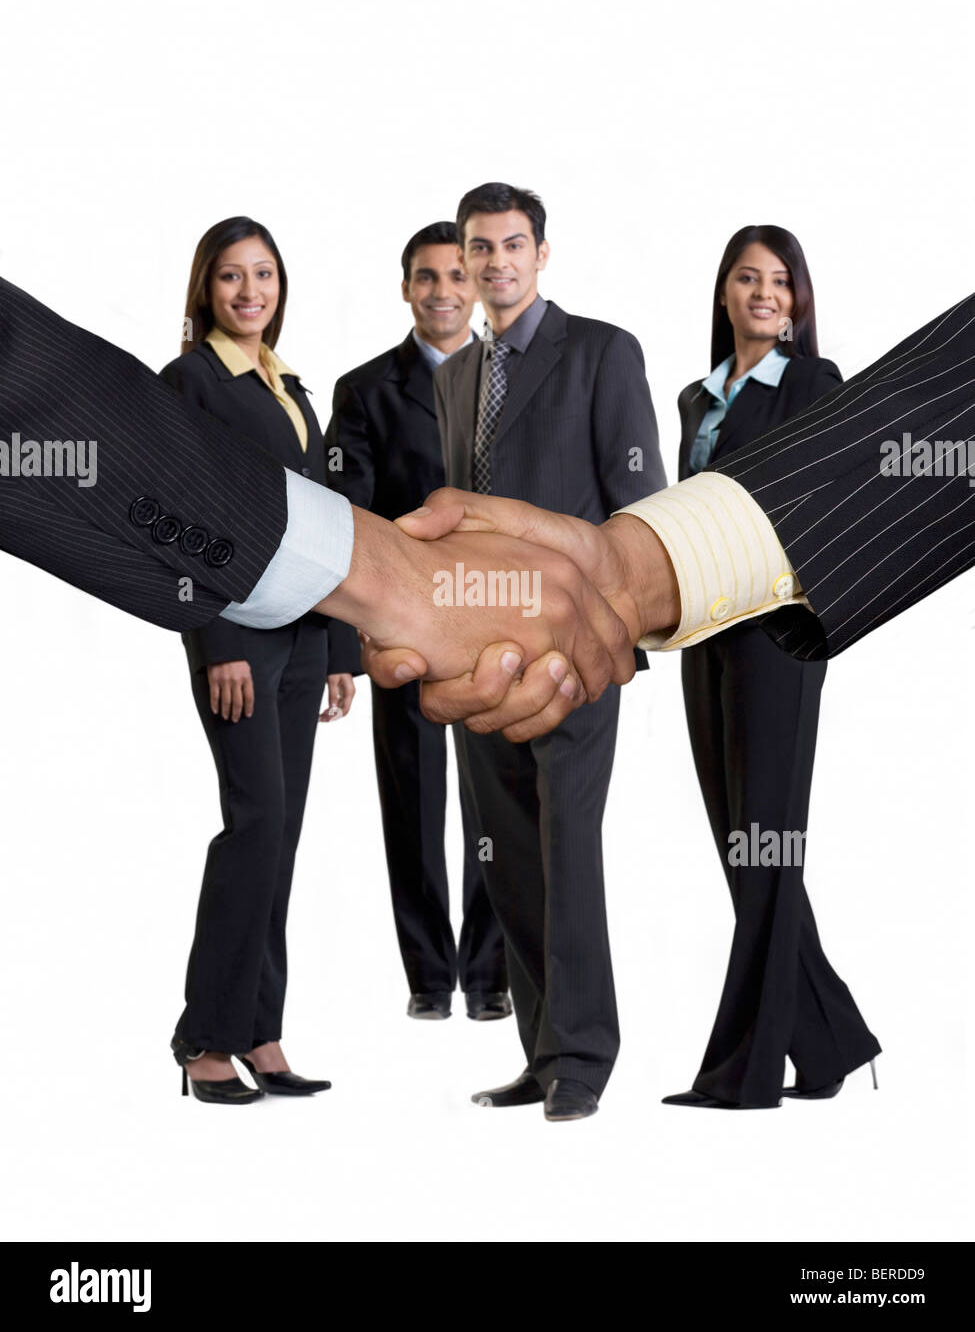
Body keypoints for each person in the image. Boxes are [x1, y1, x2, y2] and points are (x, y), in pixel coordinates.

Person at [1, 273, 972, 732]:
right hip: (318, 633)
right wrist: (386, 575)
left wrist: (624, 576)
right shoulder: (353, 383)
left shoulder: (599, 355)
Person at [432, 183, 666, 1121]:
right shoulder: (454, 376)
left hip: (571, 649)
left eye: (512, 245)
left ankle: (582, 1057)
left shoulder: (601, 353)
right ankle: (540, 1048)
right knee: (507, 858)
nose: (495, 263)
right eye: (479, 249)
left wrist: (615, 638)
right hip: (476, 650)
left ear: (541, 253)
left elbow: (635, 511)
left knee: (568, 847)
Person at [662, 225, 879, 1109]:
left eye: (779, 282)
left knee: (768, 845)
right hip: (703, 636)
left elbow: (831, 495)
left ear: (797, 301)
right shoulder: (694, 397)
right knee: (741, 846)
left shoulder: (813, 385)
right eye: (746, 279)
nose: (763, 294)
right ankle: (830, 1041)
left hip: (778, 637)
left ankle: (742, 1074)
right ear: (723, 294)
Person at [159, 217, 360, 1104]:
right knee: (254, 827)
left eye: (264, 275)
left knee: (281, 837)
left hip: (306, 638)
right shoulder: (191, 383)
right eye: (232, 278)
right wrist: (221, 644)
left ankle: (260, 1032)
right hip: (241, 639)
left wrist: (343, 646)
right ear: (205, 288)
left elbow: (325, 521)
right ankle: (202, 1038)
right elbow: (179, 524)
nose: (250, 292)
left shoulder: (288, 385)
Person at [325, 222, 510, 1023]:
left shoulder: (512, 380)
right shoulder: (364, 390)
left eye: (455, 275)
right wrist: (345, 642)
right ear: (405, 288)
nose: (442, 291)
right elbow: (342, 516)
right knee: (411, 796)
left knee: (496, 803)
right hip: (397, 621)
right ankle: (429, 977)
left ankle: (491, 973)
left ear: (476, 284)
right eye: (425, 277)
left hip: (495, 618)